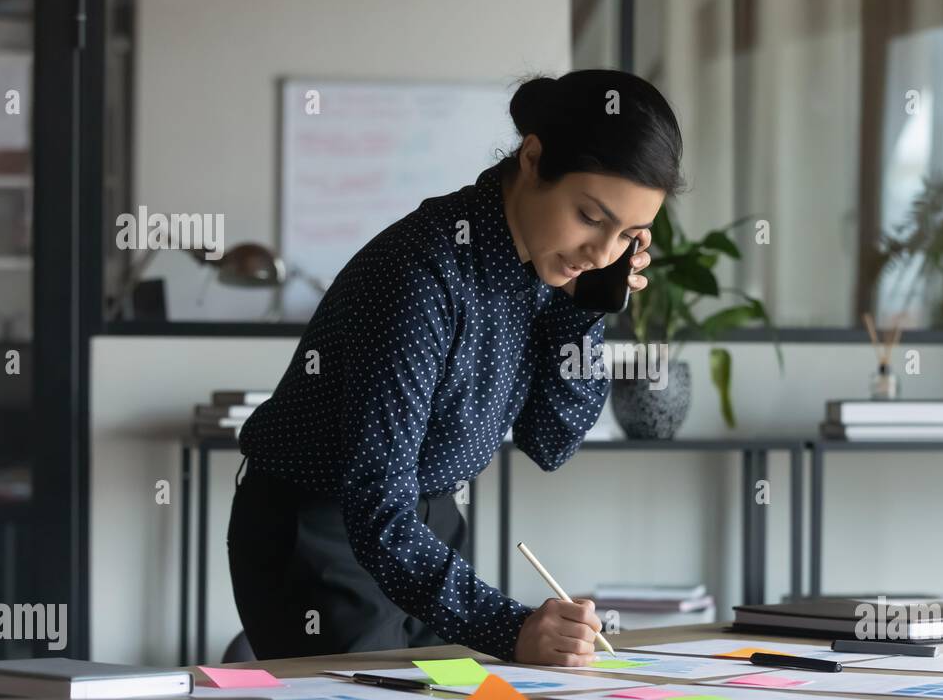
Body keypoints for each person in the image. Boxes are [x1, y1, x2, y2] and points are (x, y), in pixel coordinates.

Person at [226, 69, 686, 665]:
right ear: (533, 158)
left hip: (429, 524)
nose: (603, 253)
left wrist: (584, 313)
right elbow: (376, 504)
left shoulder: (557, 269)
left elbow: (552, 441)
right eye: (591, 217)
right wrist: (511, 626)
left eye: (629, 235)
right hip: (325, 530)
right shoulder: (419, 275)